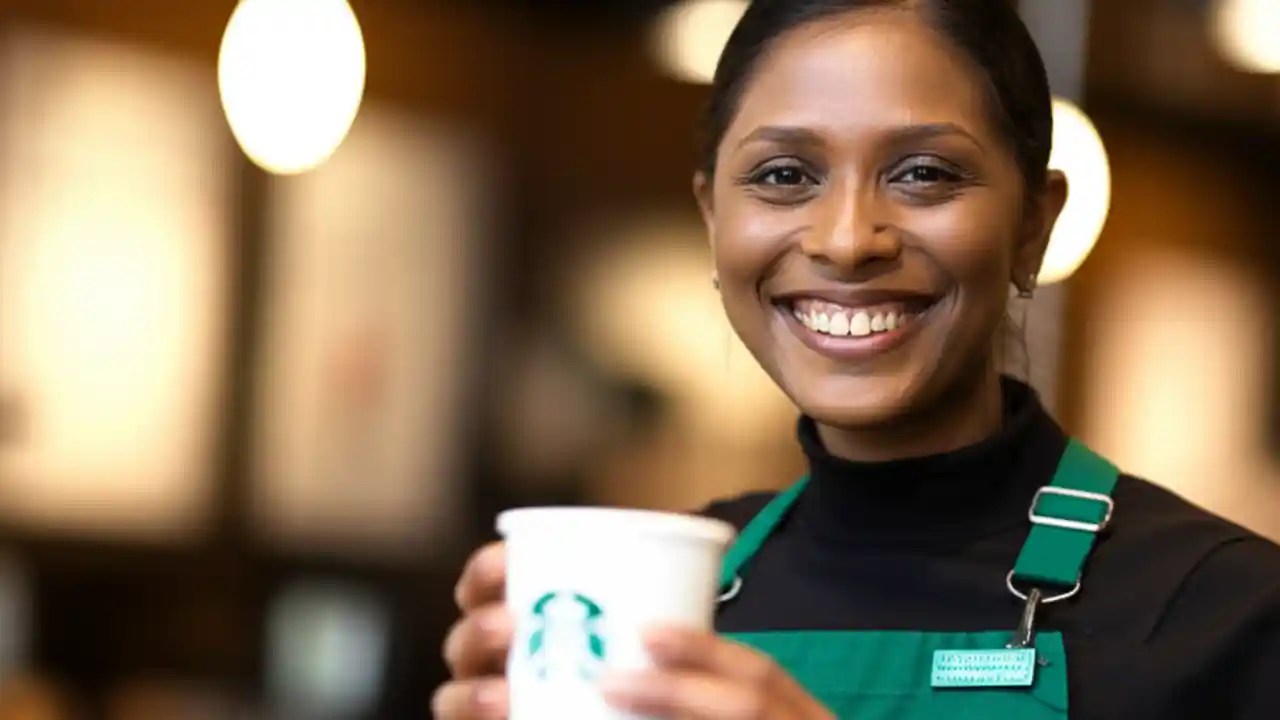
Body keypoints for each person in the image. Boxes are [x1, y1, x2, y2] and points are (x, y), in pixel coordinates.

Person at [434, 0, 1280, 717]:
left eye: (922, 173)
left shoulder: (1223, 613)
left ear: (1034, 226)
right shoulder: (679, 581)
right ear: (712, 219)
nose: (847, 241)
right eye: (783, 175)